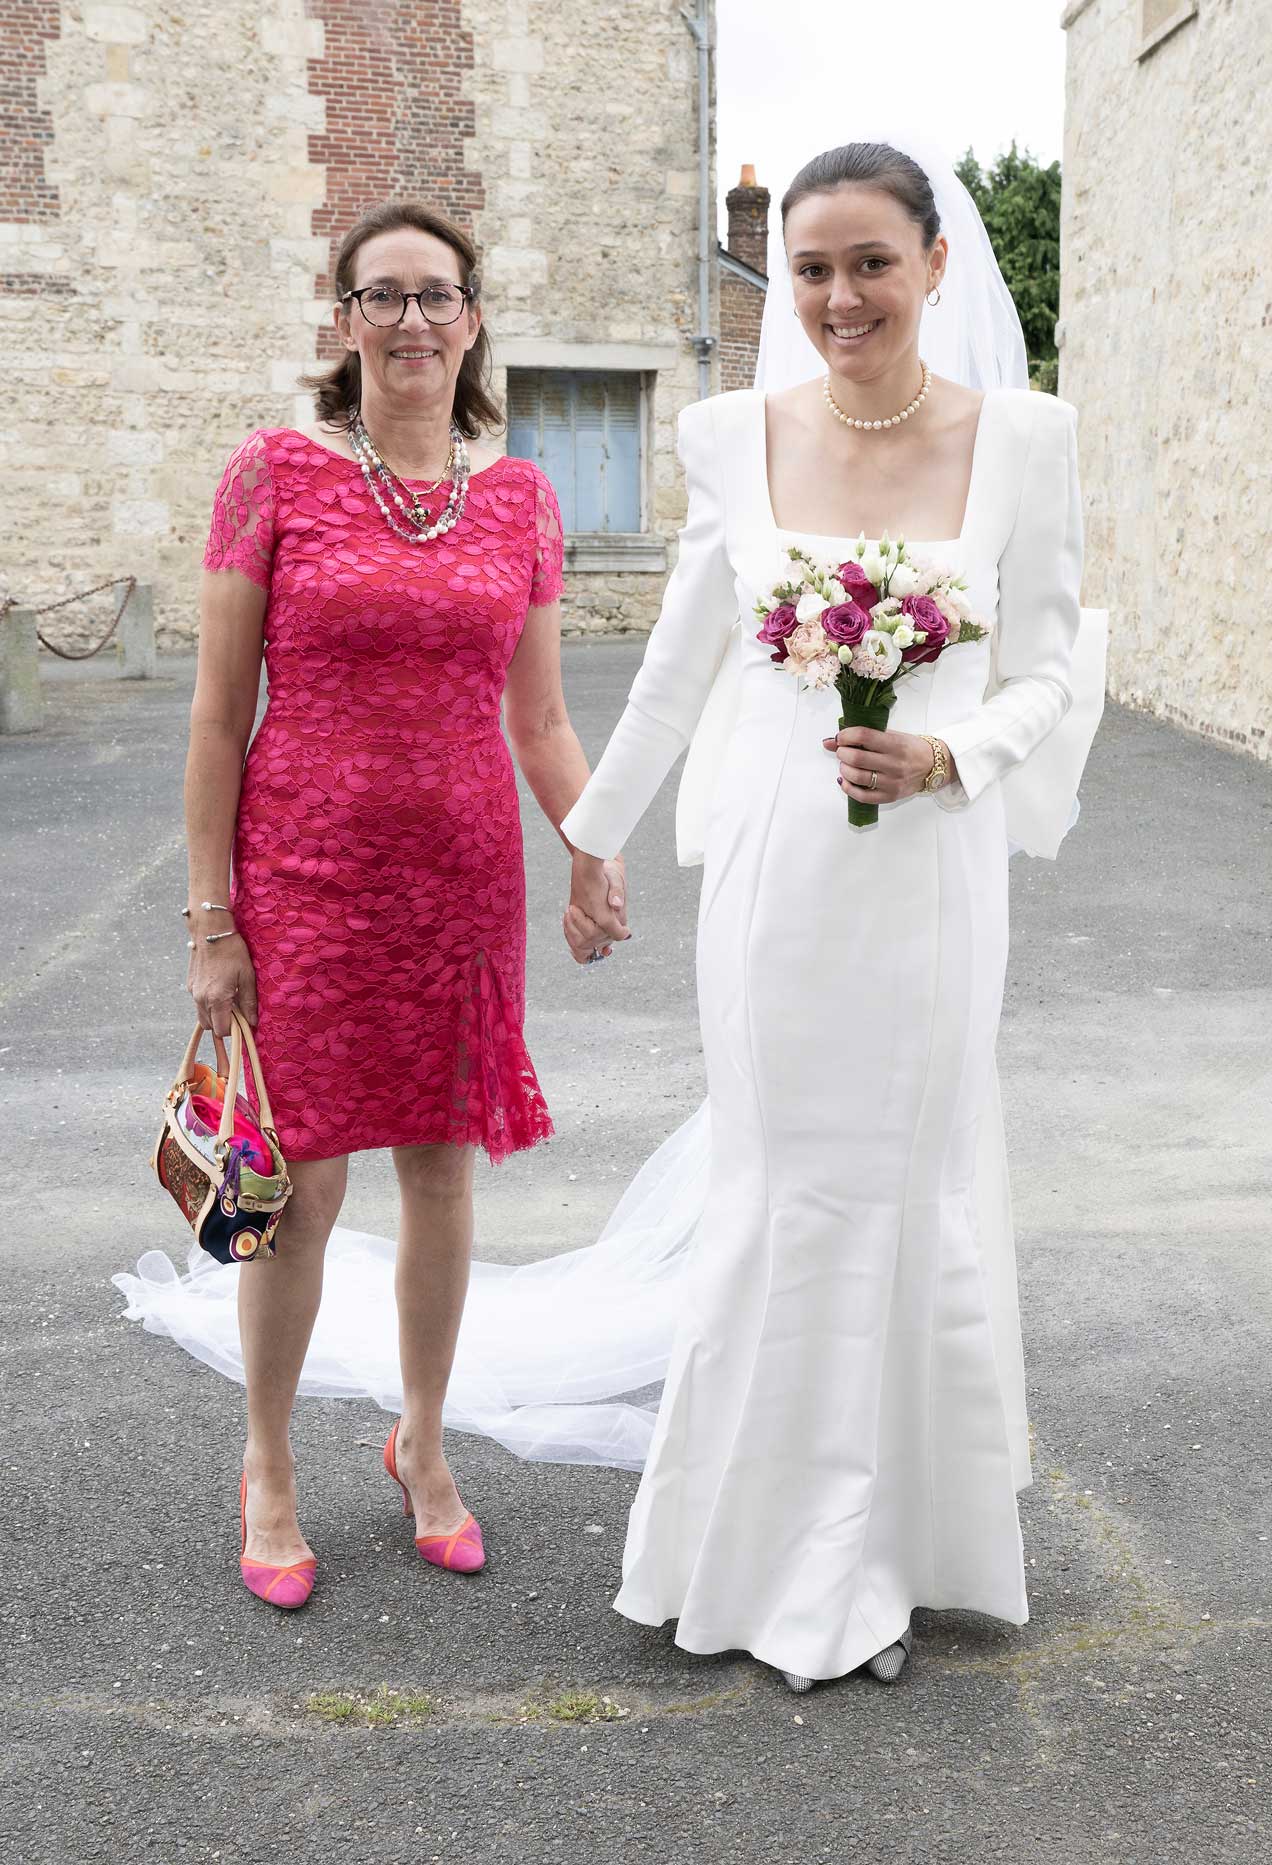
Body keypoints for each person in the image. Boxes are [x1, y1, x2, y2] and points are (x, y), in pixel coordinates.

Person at [560, 139, 1085, 1691]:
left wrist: (954, 750)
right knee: (780, 1180)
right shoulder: (732, 435)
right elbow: (677, 670)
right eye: (809, 267)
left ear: (934, 263)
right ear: (782, 278)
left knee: (905, 1182)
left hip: (931, 871)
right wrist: (595, 839)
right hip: (781, 868)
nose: (840, 295)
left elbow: (1056, 666)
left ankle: (887, 1550)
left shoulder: (1028, 441)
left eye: (870, 261)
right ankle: (747, 1544)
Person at [168, 201, 622, 1608]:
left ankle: (422, 1442)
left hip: (461, 886)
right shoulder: (273, 477)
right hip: (303, 882)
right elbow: (213, 715)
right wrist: (210, 918)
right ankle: (269, 1463)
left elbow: (540, 718)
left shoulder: (523, 501)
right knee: (300, 1182)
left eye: (438, 297)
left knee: (441, 1168)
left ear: (473, 320)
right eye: (385, 297)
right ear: (346, 319)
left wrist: (593, 848)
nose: (413, 321)